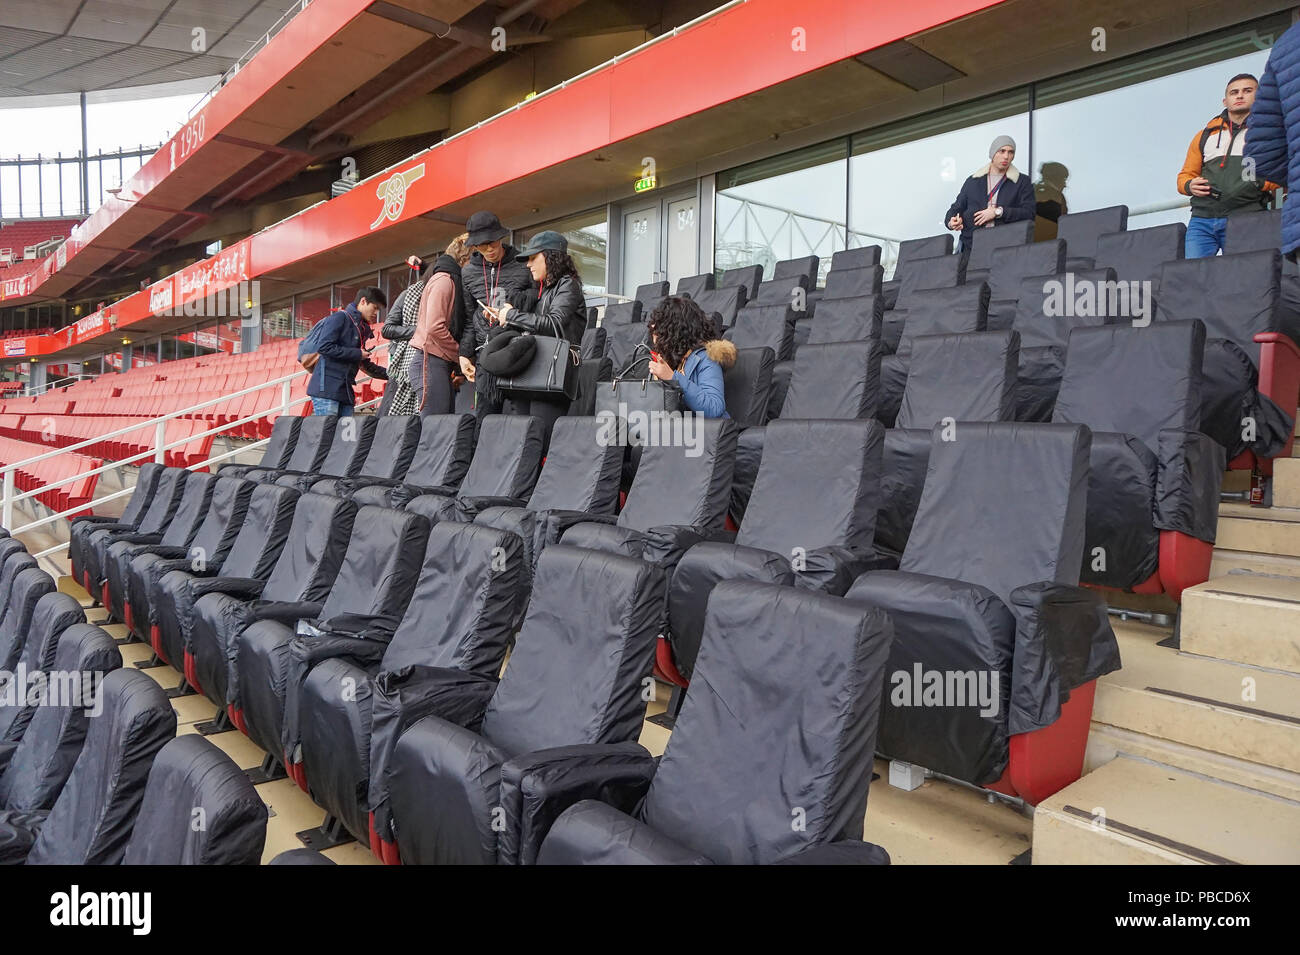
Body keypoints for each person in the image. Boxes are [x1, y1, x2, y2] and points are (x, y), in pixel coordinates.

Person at [489, 230, 587, 436]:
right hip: (534, 375)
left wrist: (513, 315)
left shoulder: (569, 284)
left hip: (553, 375)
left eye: (534, 258)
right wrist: (504, 316)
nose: (528, 264)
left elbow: (555, 324)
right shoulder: (547, 290)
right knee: (524, 441)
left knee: (539, 442)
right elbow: (537, 325)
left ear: (551, 257)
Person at [1179, 73, 1279, 258]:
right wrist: (1189, 185)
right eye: (1234, 92)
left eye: (1247, 91)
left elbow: (1283, 170)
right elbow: (1185, 176)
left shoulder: (1270, 133)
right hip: (1202, 220)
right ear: (1225, 100)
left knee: (1243, 276)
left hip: (1247, 217)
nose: (1239, 95)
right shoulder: (1205, 135)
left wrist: (1258, 184)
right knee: (1194, 279)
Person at [453, 211, 537, 426]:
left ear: (501, 238)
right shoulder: (469, 272)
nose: (488, 249)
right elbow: (470, 318)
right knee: (485, 421)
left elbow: (537, 304)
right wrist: (464, 354)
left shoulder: (523, 264)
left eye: (492, 242)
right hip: (486, 355)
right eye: (481, 245)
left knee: (520, 422)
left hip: (517, 350)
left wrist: (514, 306)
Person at [407, 234, 472, 416]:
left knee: (439, 428)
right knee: (435, 429)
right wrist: (459, 354)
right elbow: (435, 327)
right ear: (465, 259)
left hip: (433, 362)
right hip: (430, 362)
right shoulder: (444, 280)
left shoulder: (445, 278)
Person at [944, 135, 1036, 253]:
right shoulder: (973, 181)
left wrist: (998, 212)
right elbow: (957, 207)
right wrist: (952, 222)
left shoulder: (1022, 181)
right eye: (1002, 151)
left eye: (1011, 152)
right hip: (971, 247)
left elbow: (1029, 213)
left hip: (1006, 247)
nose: (1006, 156)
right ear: (993, 153)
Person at [646, 296, 734, 418]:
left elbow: (715, 408)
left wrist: (673, 378)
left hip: (705, 433)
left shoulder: (707, 358)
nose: (655, 337)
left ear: (676, 332)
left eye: (660, 331)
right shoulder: (668, 359)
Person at [307, 287, 387, 416]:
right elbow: (324, 347)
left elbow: (364, 364)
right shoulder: (340, 318)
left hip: (345, 392)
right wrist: (357, 354)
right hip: (327, 390)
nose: (376, 313)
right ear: (363, 301)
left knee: (345, 436)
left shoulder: (360, 327)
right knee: (327, 434)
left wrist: (392, 375)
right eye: (375, 307)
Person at [377, 259, 428, 416]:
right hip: (402, 364)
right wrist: (418, 331)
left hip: (426, 363)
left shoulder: (440, 299)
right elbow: (387, 329)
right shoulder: (408, 295)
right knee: (390, 414)